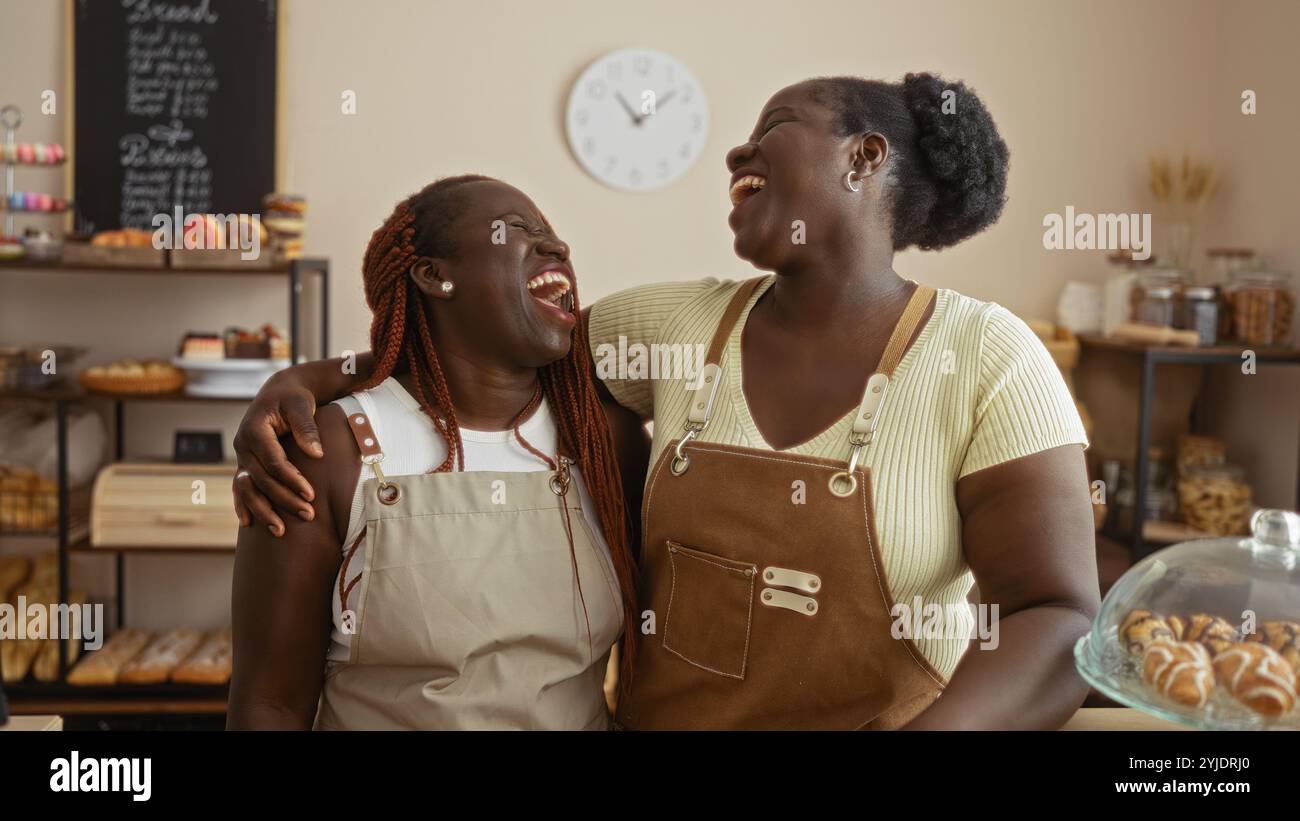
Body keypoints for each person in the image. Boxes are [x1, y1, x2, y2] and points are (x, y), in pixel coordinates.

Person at [232, 73, 1100, 730]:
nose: (736, 153)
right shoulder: (672, 324)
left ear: (864, 156)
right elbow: (476, 352)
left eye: (775, 128)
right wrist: (305, 381)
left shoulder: (988, 355)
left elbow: (1057, 617)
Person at [227, 176, 640, 730]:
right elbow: (270, 704)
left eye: (554, 235)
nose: (556, 247)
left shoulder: (603, 440)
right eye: (519, 229)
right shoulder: (328, 452)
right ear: (434, 275)